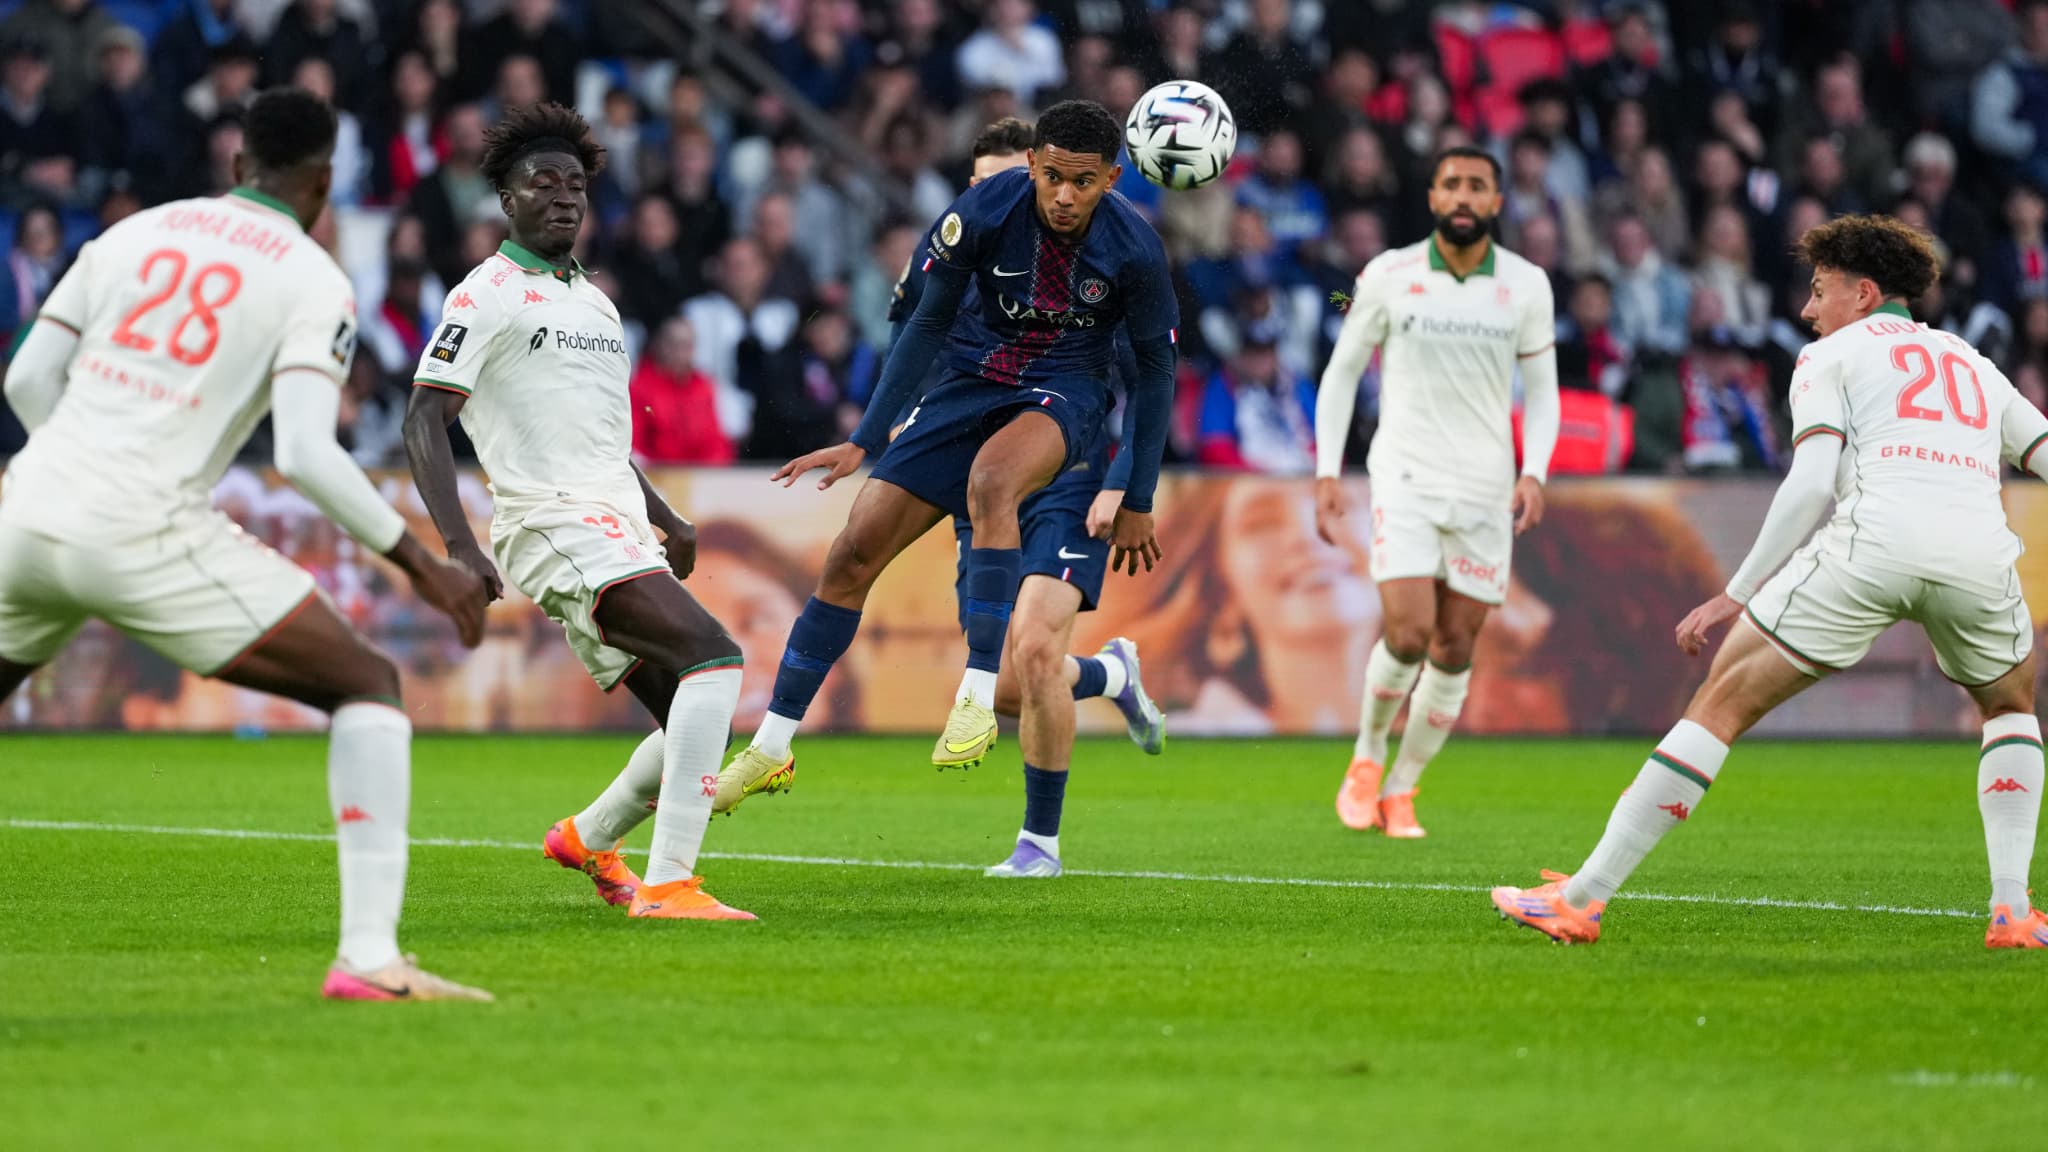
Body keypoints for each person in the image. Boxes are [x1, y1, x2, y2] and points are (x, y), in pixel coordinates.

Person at [0, 88, 492, 999]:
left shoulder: (135, 233)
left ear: (236, 166)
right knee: (367, 685)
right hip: (141, 523)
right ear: (323, 182)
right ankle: (370, 960)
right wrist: (424, 563)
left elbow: (28, 374)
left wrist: (70, 464)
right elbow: (306, 453)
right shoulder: (312, 279)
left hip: (24, 510)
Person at [1494, 215, 2048, 950]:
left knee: (1719, 704)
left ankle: (1582, 899)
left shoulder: (1832, 356)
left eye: (1820, 292)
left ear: (1865, 293)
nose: (1807, 311)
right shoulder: (1972, 363)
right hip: (1978, 554)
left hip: (1873, 545)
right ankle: (2012, 912)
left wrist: (1738, 590)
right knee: (2010, 709)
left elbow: (1813, 482)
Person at [715, 99, 1177, 813]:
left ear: (1112, 178)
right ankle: (771, 747)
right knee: (852, 553)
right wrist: (868, 437)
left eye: (1082, 183)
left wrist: (1138, 494)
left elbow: (1154, 371)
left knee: (992, 483)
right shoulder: (981, 212)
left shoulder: (1136, 250)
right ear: (1032, 163)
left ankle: (973, 697)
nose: (1063, 195)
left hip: (1065, 391)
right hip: (967, 385)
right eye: (1052, 176)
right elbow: (926, 320)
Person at [403, 102, 753, 923]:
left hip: (615, 521)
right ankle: (668, 887)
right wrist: (457, 543)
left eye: (575, 185)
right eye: (541, 183)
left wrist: (665, 515)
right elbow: (422, 416)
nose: (563, 196)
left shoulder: (594, 302)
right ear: (506, 200)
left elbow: (600, 439)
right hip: (550, 522)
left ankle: (589, 838)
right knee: (715, 657)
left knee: (689, 717)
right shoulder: (485, 294)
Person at [886, 118, 1165, 878]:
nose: (1012, 195)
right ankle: (1109, 674)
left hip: (1065, 465)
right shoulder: (951, 250)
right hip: (980, 478)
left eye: (1022, 178)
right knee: (1012, 686)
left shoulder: (1096, 257)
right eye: (987, 182)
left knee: (1038, 651)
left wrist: (1123, 482)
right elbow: (911, 335)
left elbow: (1147, 377)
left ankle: (1039, 845)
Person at [1312, 146, 1561, 839]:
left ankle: (1403, 787)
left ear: (1496, 203)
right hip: (1407, 477)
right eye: (1451, 183)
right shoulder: (1386, 276)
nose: (1462, 195)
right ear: (1431, 197)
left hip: (1486, 488)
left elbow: (1542, 394)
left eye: (1477, 186)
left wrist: (1534, 470)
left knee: (1455, 647)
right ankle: (1366, 756)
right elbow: (1340, 373)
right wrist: (1329, 471)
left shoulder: (1526, 285)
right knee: (1410, 630)